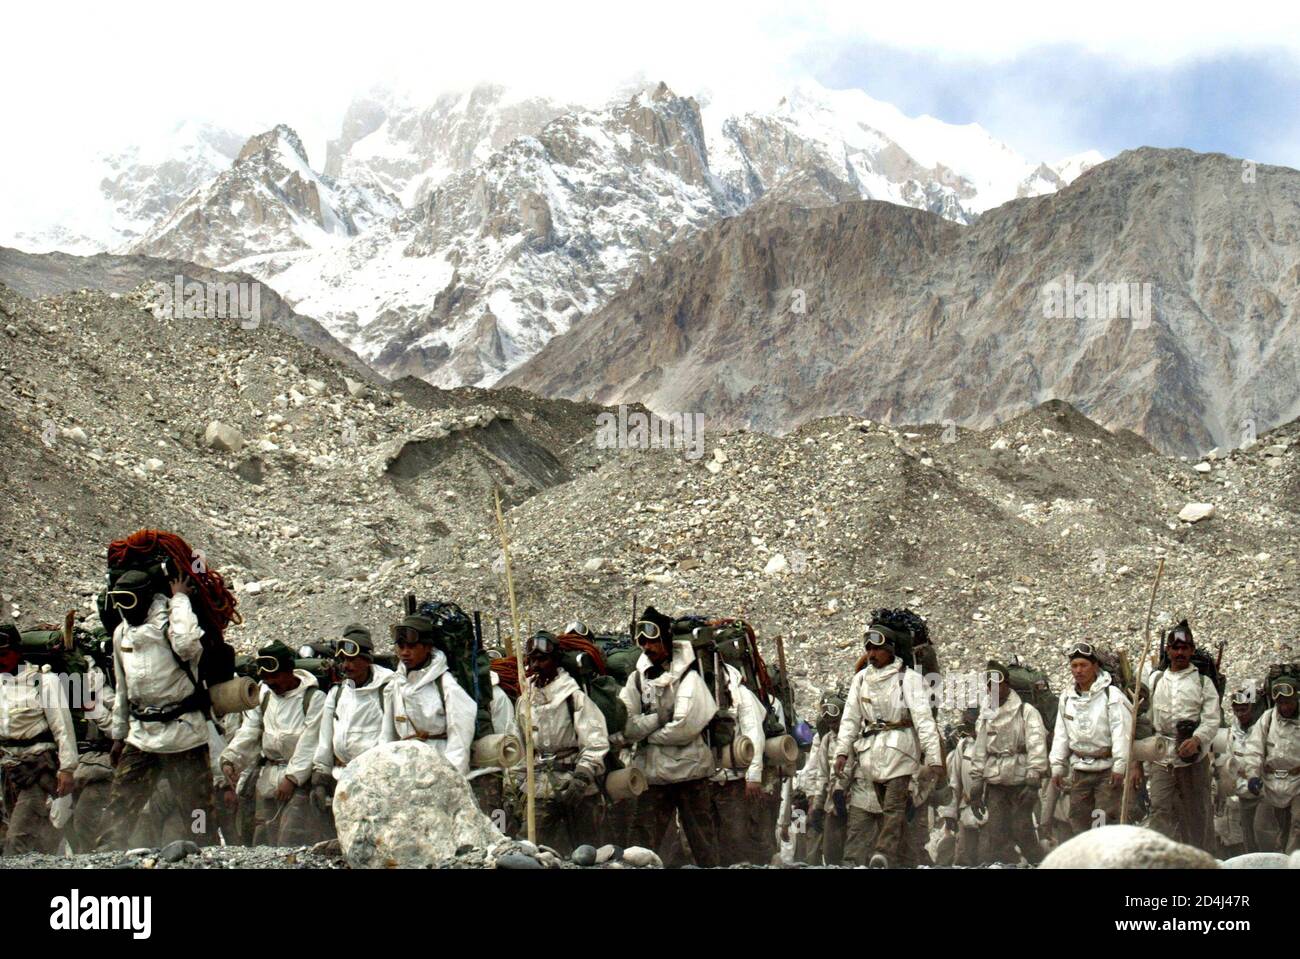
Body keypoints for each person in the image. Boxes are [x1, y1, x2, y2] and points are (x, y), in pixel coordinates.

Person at [96, 569, 217, 850]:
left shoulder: (171, 627)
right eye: (118, 602)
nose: (124, 610)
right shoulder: (121, 635)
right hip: (141, 737)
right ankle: (106, 855)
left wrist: (179, 600)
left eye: (128, 600)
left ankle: (208, 852)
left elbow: (188, 644)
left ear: (145, 597)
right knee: (121, 802)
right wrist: (118, 736)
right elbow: (123, 690)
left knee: (197, 809)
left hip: (184, 734)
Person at [833, 625, 943, 868]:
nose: (872, 654)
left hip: (901, 752)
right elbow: (850, 719)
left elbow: (924, 721)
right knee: (896, 814)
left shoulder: (909, 680)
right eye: (869, 649)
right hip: (871, 755)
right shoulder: (860, 680)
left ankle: (881, 854)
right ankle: (909, 860)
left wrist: (934, 759)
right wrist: (841, 752)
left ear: (890, 650)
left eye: (877, 649)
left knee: (893, 808)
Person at [618, 606, 719, 867]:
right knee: (641, 843)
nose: (647, 647)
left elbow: (685, 727)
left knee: (702, 843)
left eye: (652, 640)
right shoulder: (636, 680)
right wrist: (659, 719)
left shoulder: (689, 676)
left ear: (665, 640)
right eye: (643, 642)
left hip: (690, 773)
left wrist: (647, 734)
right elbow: (626, 725)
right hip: (653, 776)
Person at [220, 641, 326, 846]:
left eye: (274, 676)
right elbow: (250, 730)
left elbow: (310, 742)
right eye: (266, 677)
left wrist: (292, 778)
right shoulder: (265, 694)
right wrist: (232, 759)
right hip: (267, 779)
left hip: (299, 785)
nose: (270, 681)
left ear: (289, 671)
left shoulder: (314, 699)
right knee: (262, 839)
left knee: (292, 839)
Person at [513, 631, 609, 854]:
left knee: (588, 851)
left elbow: (595, 740)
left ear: (555, 660)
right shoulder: (525, 700)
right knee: (528, 849)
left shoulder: (573, 697)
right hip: (539, 786)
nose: (536, 665)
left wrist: (582, 776)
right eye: (532, 660)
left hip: (576, 784)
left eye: (542, 659)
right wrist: (515, 785)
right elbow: (519, 744)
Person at [0, 623, 78, 854]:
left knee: (18, 839)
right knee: (34, 835)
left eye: (4, 654)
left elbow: (63, 728)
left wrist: (67, 769)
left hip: (38, 768)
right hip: (8, 770)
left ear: (17, 651)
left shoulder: (44, 681)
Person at [1142, 622, 1220, 851]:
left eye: (1185, 648)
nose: (1180, 653)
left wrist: (1197, 739)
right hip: (1161, 755)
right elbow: (1143, 718)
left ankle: (1203, 860)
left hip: (1193, 757)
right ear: (1168, 650)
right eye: (1175, 647)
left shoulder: (1203, 682)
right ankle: (1160, 860)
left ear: (1192, 650)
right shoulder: (1156, 680)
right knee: (1159, 808)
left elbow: (1212, 719)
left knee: (1197, 812)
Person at [968, 661, 1049, 864]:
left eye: (998, 684)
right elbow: (979, 748)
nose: (994, 689)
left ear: (1007, 685)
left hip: (1021, 780)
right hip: (996, 781)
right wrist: (976, 782)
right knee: (995, 832)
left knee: (1023, 829)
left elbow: (1036, 745)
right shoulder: (986, 713)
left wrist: (1033, 779)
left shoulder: (1026, 711)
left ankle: (1041, 864)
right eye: (990, 685)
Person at [1049, 642, 1132, 836]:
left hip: (1107, 771)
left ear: (1095, 666)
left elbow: (1121, 733)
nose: (1078, 670)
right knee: (1077, 821)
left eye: (1083, 665)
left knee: (1102, 823)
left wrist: (1120, 765)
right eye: (1074, 666)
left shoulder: (1111, 696)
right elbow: (1061, 734)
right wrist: (1057, 766)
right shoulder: (1067, 698)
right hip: (1080, 770)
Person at [311, 625, 393, 819]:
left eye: (352, 659)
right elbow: (325, 741)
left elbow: (388, 740)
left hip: (375, 783)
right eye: (343, 660)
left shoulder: (387, 690)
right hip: (340, 779)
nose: (346, 666)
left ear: (367, 660)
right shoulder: (337, 693)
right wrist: (320, 779)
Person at [382, 612, 477, 775]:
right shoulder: (396, 685)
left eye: (411, 647)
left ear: (427, 648)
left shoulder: (446, 685)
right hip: (404, 770)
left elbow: (460, 739)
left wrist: (451, 776)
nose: (404, 653)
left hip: (438, 767)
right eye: (401, 647)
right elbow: (387, 735)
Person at [709, 655, 769, 865]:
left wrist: (754, 775)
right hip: (705, 779)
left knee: (737, 837)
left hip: (735, 780)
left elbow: (754, 734)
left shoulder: (741, 694)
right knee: (707, 840)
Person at [1242, 673, 1300, 854]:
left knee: (1297, 827)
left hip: (1297, 783)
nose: (1285, 706)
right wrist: (1252, 775)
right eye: (1280, 702)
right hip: (1270, 782)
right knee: (1261, 827)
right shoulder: (1267, 719)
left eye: (1288, 702)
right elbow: (1254, 749)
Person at [803, 693, 848, 865]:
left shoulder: (858, 737)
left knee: (853, 853)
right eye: (830, 723)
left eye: (836, 722)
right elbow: (820, 773)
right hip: (832, 805)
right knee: (831, 854)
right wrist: (816, 805)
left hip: (854, 803)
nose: (833, 726)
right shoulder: (827, 740)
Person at [937, 707, 984, 866]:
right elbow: (955, 782)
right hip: (966, 812)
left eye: (970, 723)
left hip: (989, 812)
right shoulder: (963, 746)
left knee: (987, 857)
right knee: (963, 858)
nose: (968, 728)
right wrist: (950, 813)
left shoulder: (992, 744)